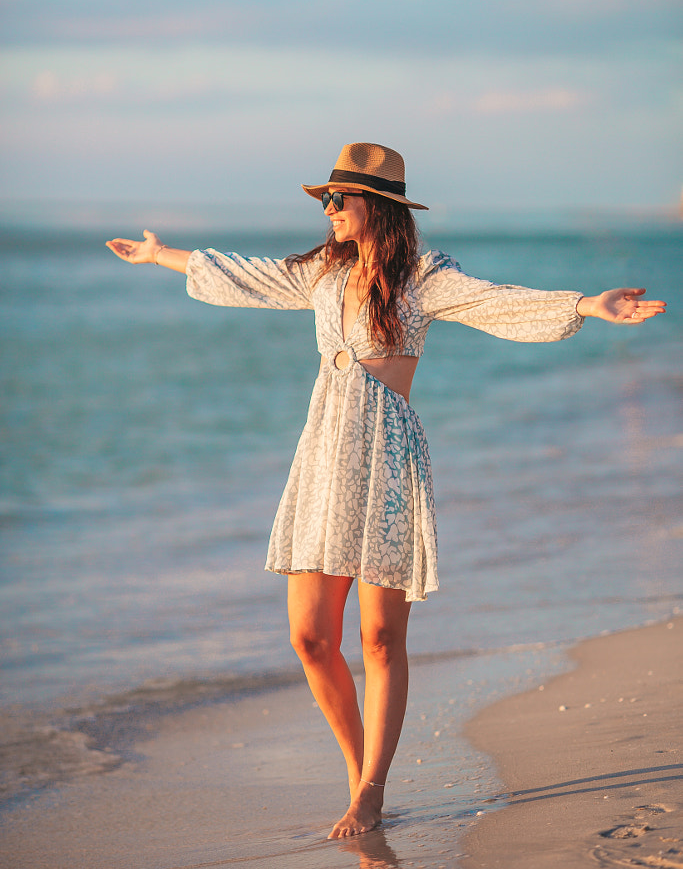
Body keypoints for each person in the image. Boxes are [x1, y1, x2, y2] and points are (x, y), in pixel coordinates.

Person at [106, 141, 666, 839]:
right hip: (322, 458)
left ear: (379, 205)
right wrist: (160, 255)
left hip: (386, 455)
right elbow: (245, 274)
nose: (330, 210)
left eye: (340, 199)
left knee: (378, 637)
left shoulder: (424, 276)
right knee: (310, 639)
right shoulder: (319, 273)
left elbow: (495, 303)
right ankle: (355, 770)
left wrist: (590, 304)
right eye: (325, 200)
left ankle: (371, 790)